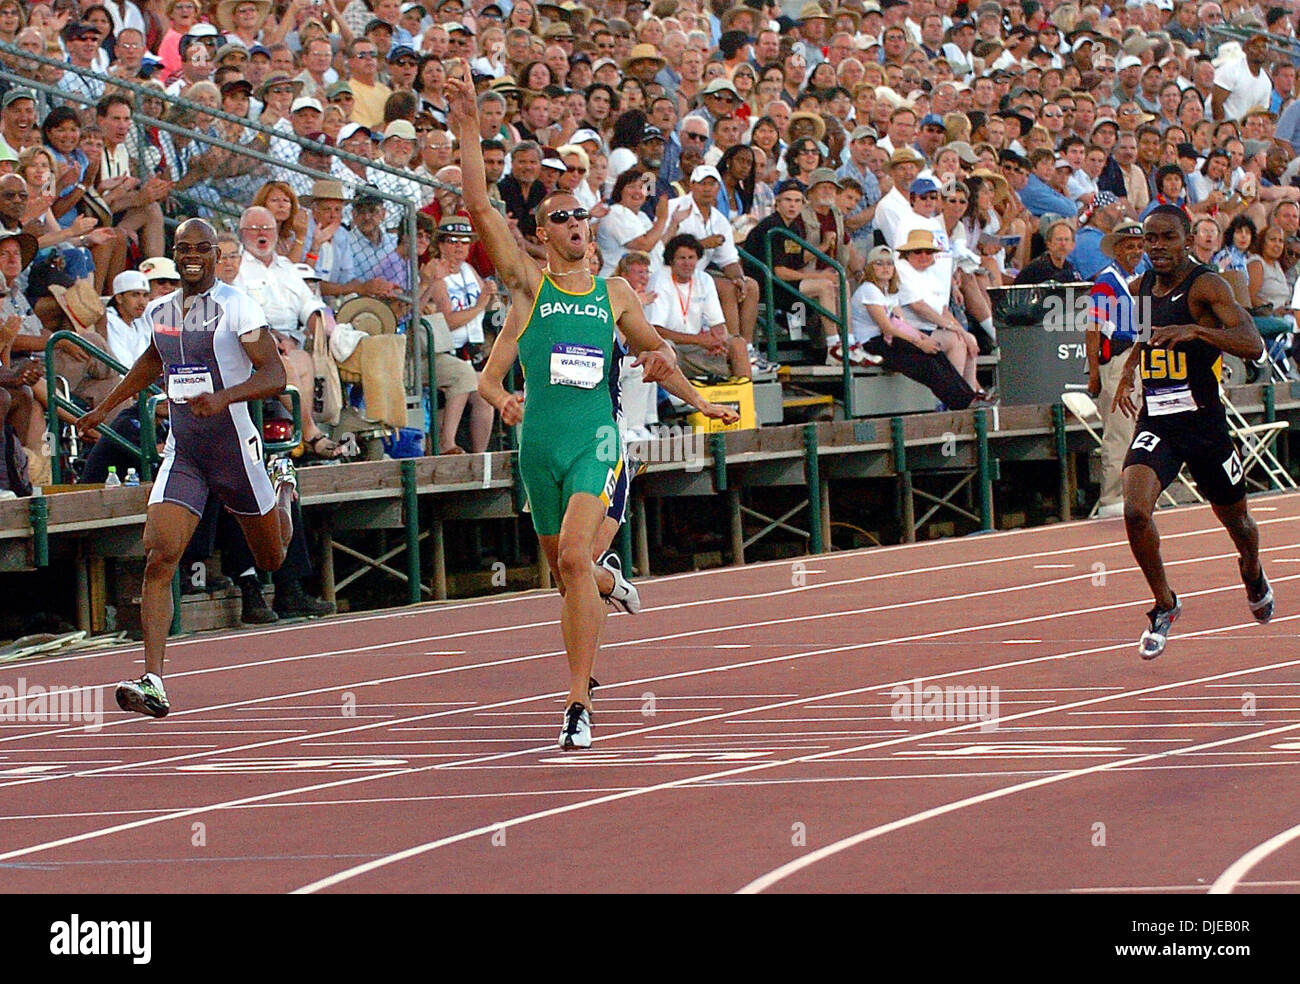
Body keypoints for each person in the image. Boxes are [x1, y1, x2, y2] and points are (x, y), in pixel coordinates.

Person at [447, 71, 737, 750]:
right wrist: (466, 127)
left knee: (574, 558)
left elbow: (658, 353)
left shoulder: (615, 295)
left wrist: (701, 400)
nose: (575, 223)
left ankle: (578, 702)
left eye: (581, 214)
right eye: (561, 217)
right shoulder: (527, 288)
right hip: (539, 451)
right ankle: (610, 581)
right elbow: (479, 205)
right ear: (542, 233)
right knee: (566, 573)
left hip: (597, 444)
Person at [75, 218, 298, 717]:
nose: (192, 256)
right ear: (175, 255)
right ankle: (153, 680)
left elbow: (274, 374)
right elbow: (150, 362)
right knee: (159, 557)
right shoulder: (160, 311)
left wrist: (224, 397)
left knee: (270, 559)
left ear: (216, 255)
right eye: (184, 248)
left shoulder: (238, 306)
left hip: (235, 450)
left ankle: (284, 490)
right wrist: (105, 408)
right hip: (186, 453)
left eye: (202, 248)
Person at [1111, 205, 1272, 659]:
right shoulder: (1141, 287)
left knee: (1238, 523)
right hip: (1158, 422)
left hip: (1204, 427)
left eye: (1167, 238)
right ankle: (1165, 604)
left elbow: (1253, 344)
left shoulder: (1207, 286)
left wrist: (1197, 332)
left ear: (1187, 240)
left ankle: (1252, 570)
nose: (1157, 247)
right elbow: (1147, 337)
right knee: (1135, 511)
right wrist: (1129, 371)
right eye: (1150, 239)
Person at [1087, 219, 1145, 519]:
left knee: (1139, 431)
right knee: (1119, 431)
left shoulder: (1142, 280)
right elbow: (1093, 329)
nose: (1136, 251)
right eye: (1129, 246)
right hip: (1118, 360)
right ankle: (1112, 497)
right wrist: (1094, 373)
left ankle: (1137, 493)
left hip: (1139, 359)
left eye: (1139, 246)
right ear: (1117, 249)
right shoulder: (1107, 282)